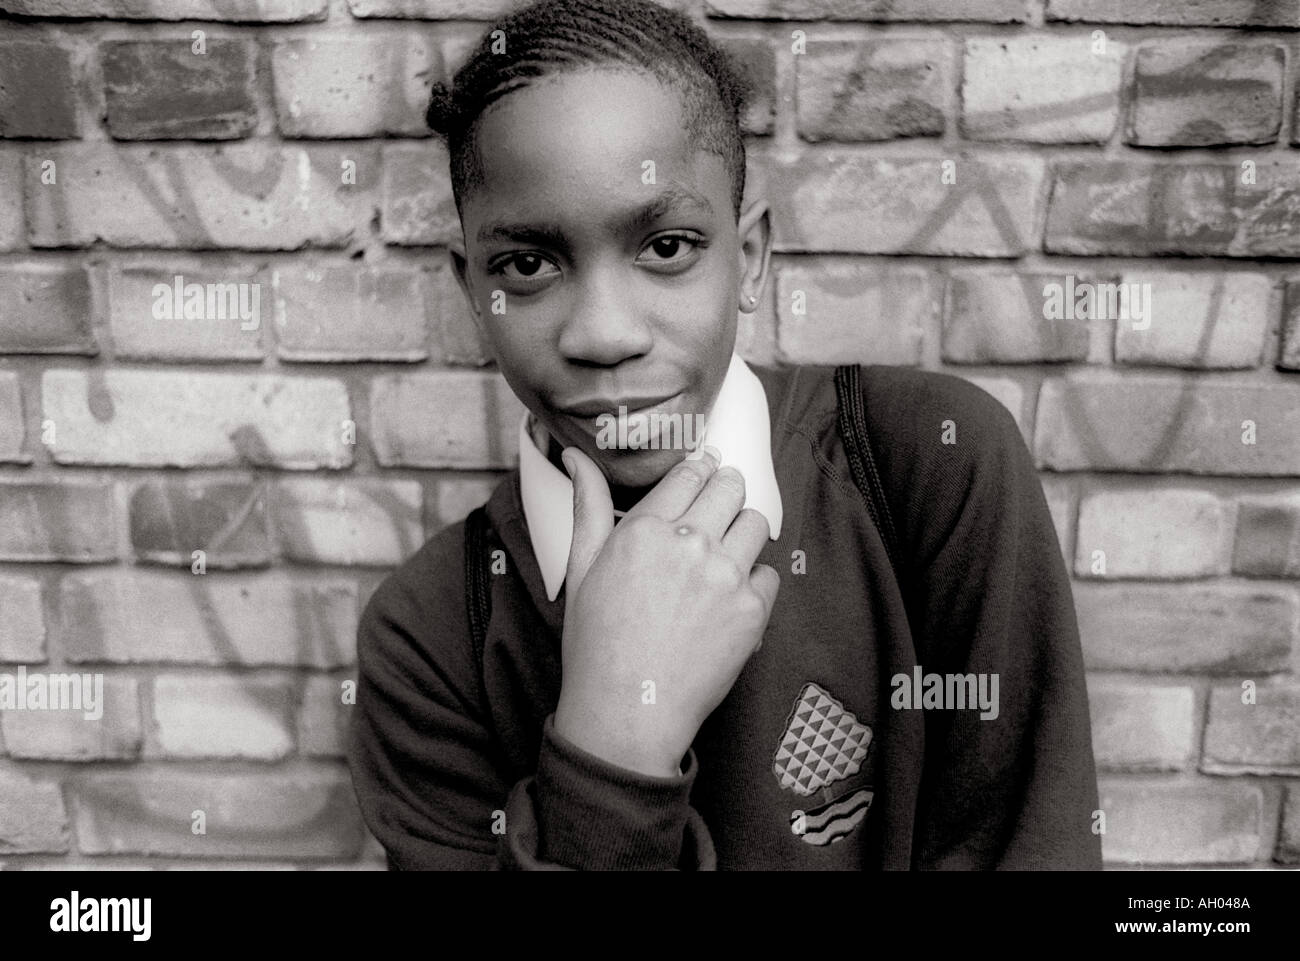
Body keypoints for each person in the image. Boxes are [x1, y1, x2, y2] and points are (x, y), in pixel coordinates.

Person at [347, 0, 1102, 870]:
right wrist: (613, 737)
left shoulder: (929, 465)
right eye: (527, 264)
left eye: (667, 246)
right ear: (473, 290)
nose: (603, 332)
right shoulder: (429, 634)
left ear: (751, 259)